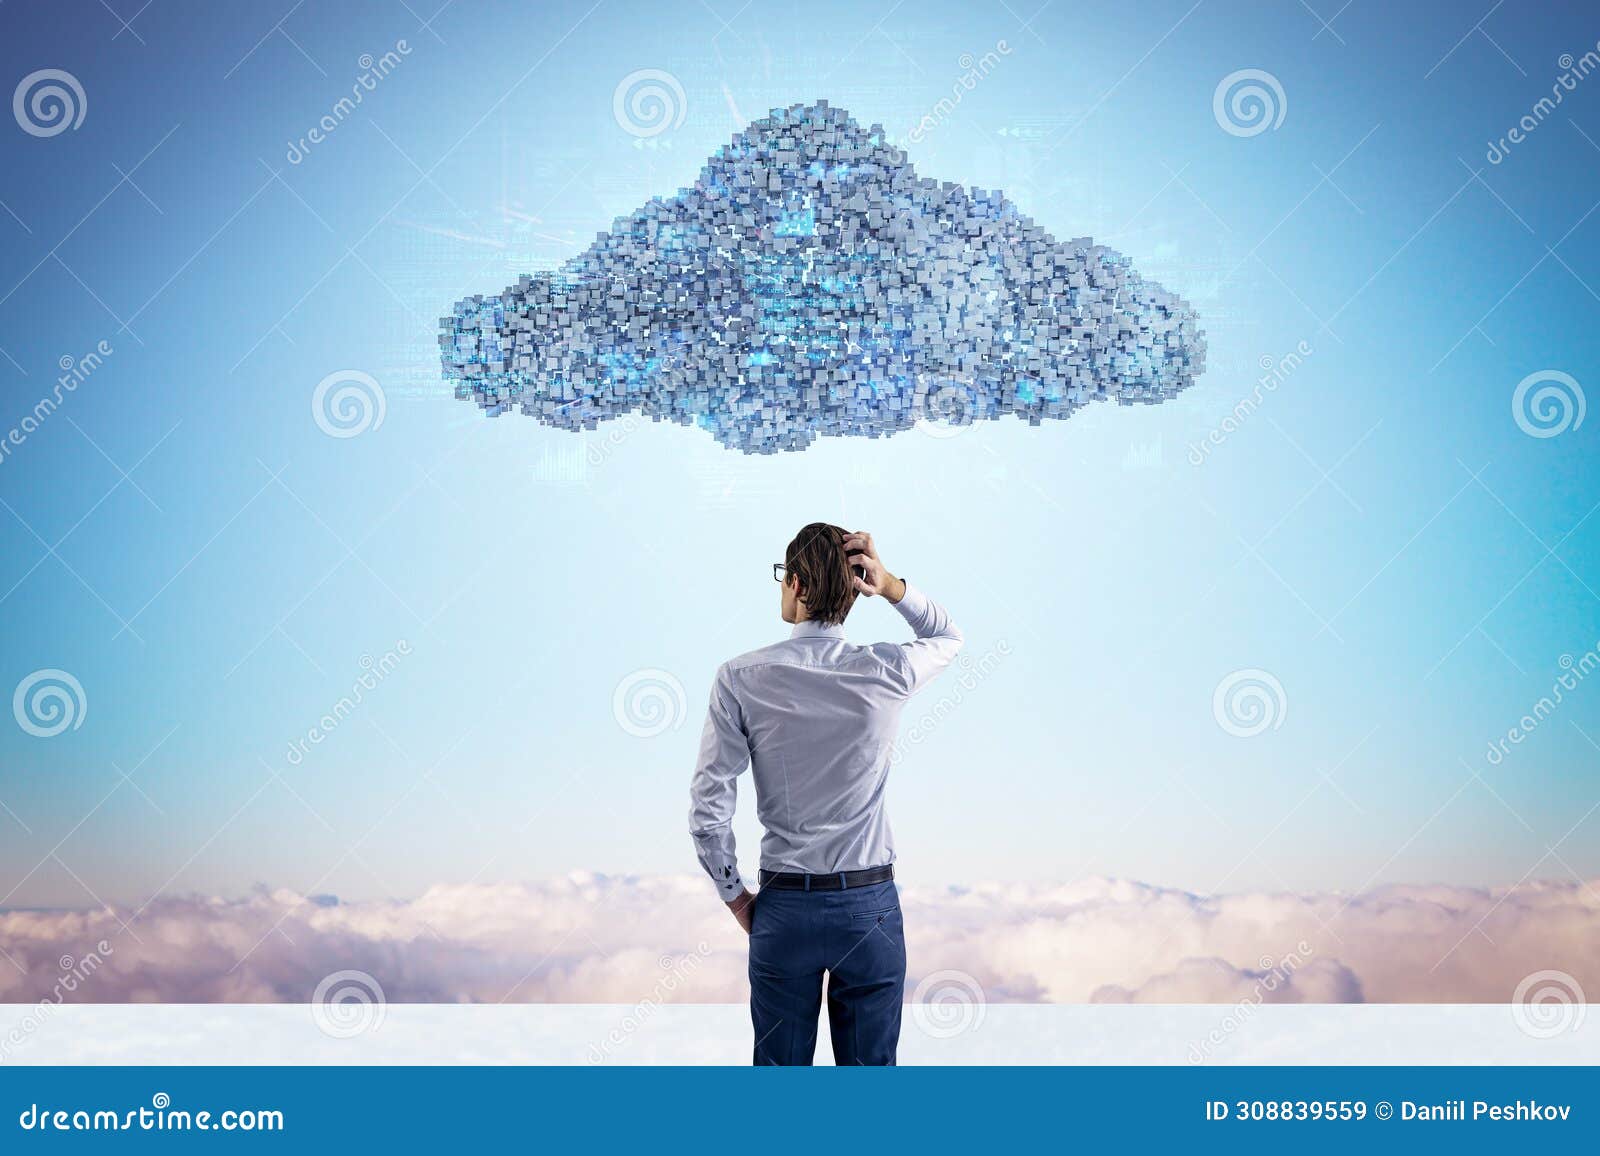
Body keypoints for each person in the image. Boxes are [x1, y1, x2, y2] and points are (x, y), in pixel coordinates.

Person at [688, 523, 963, 1065]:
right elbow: (948, 638)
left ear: (794, 583)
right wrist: (891, 586)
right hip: (869, 908)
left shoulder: (739, 678)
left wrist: (736, 896)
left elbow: (708, 810)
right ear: (853, 588)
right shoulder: (887, 668)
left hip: (784, 907)